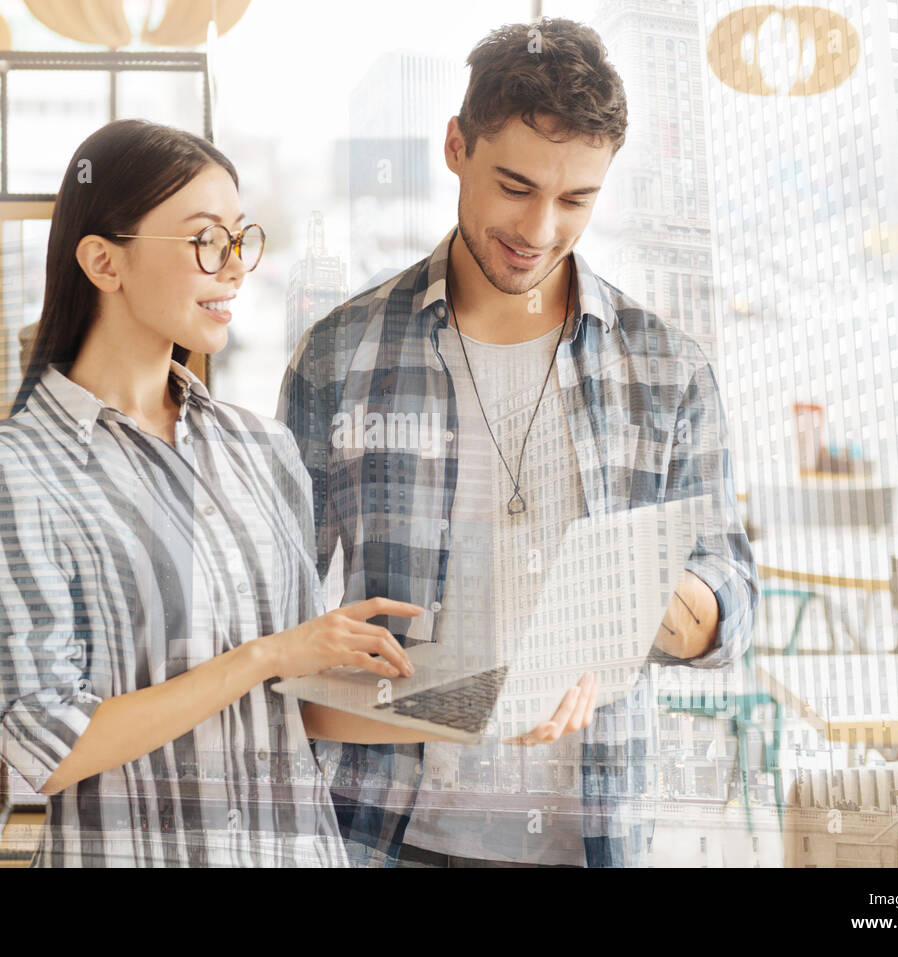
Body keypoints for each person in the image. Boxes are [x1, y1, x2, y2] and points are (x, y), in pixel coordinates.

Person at [278, 18, 759, 867]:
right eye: (515, 185)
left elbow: (732, 599)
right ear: (456, 147)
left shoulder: (667, 368)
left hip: (593, 835)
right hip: (381, 829)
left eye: (575, 200)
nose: (539, 227)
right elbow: (272, 612)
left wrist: (641, 600)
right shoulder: (339, 356)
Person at [0, 119, 421, 867]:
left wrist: (470, 709)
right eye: (204, 241)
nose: (233, 269)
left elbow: (295, 695)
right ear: (103, 260)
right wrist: (261, 655)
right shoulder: (10, 477)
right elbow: (52, 747)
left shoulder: (260, 448)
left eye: (238, 240)